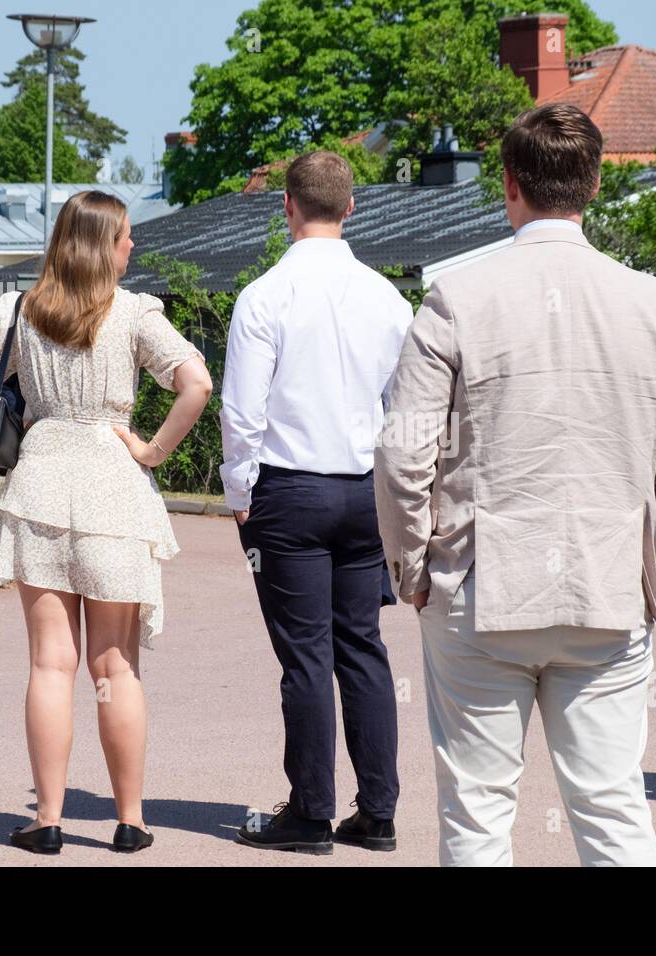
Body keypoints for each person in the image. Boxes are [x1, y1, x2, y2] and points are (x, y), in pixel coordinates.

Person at [376, 102, 656, 867]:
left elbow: (403, 454)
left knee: (477, 812)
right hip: (606, 585)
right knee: (611, 807)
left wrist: (413, 567)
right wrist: (653, 571)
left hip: (478, 582)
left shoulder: (458, 296)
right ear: (594, 184)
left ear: (509, 185)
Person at [0, 191, 213, 854]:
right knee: (114, 668)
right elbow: (197, 384)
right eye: (124, 237)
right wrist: (151, 450)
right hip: (113, 486)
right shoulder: (137, 313)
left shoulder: (22, 311)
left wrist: (15, 435)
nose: (133, 247)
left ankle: (49, 820)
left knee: (50, 665)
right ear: (101, 244)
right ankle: (129, 821)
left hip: (39, 483)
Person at [220, 151, 413, 855]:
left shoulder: (264, 297)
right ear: (353, 207)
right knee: (363, 647)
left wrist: (240, 493)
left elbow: (242, 413)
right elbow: (406, 408)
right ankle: (380, 809)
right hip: (365, 490)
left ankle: (309, 811)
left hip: (290, 489)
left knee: (305, 655)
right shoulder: (389, 300)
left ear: (287, 208)